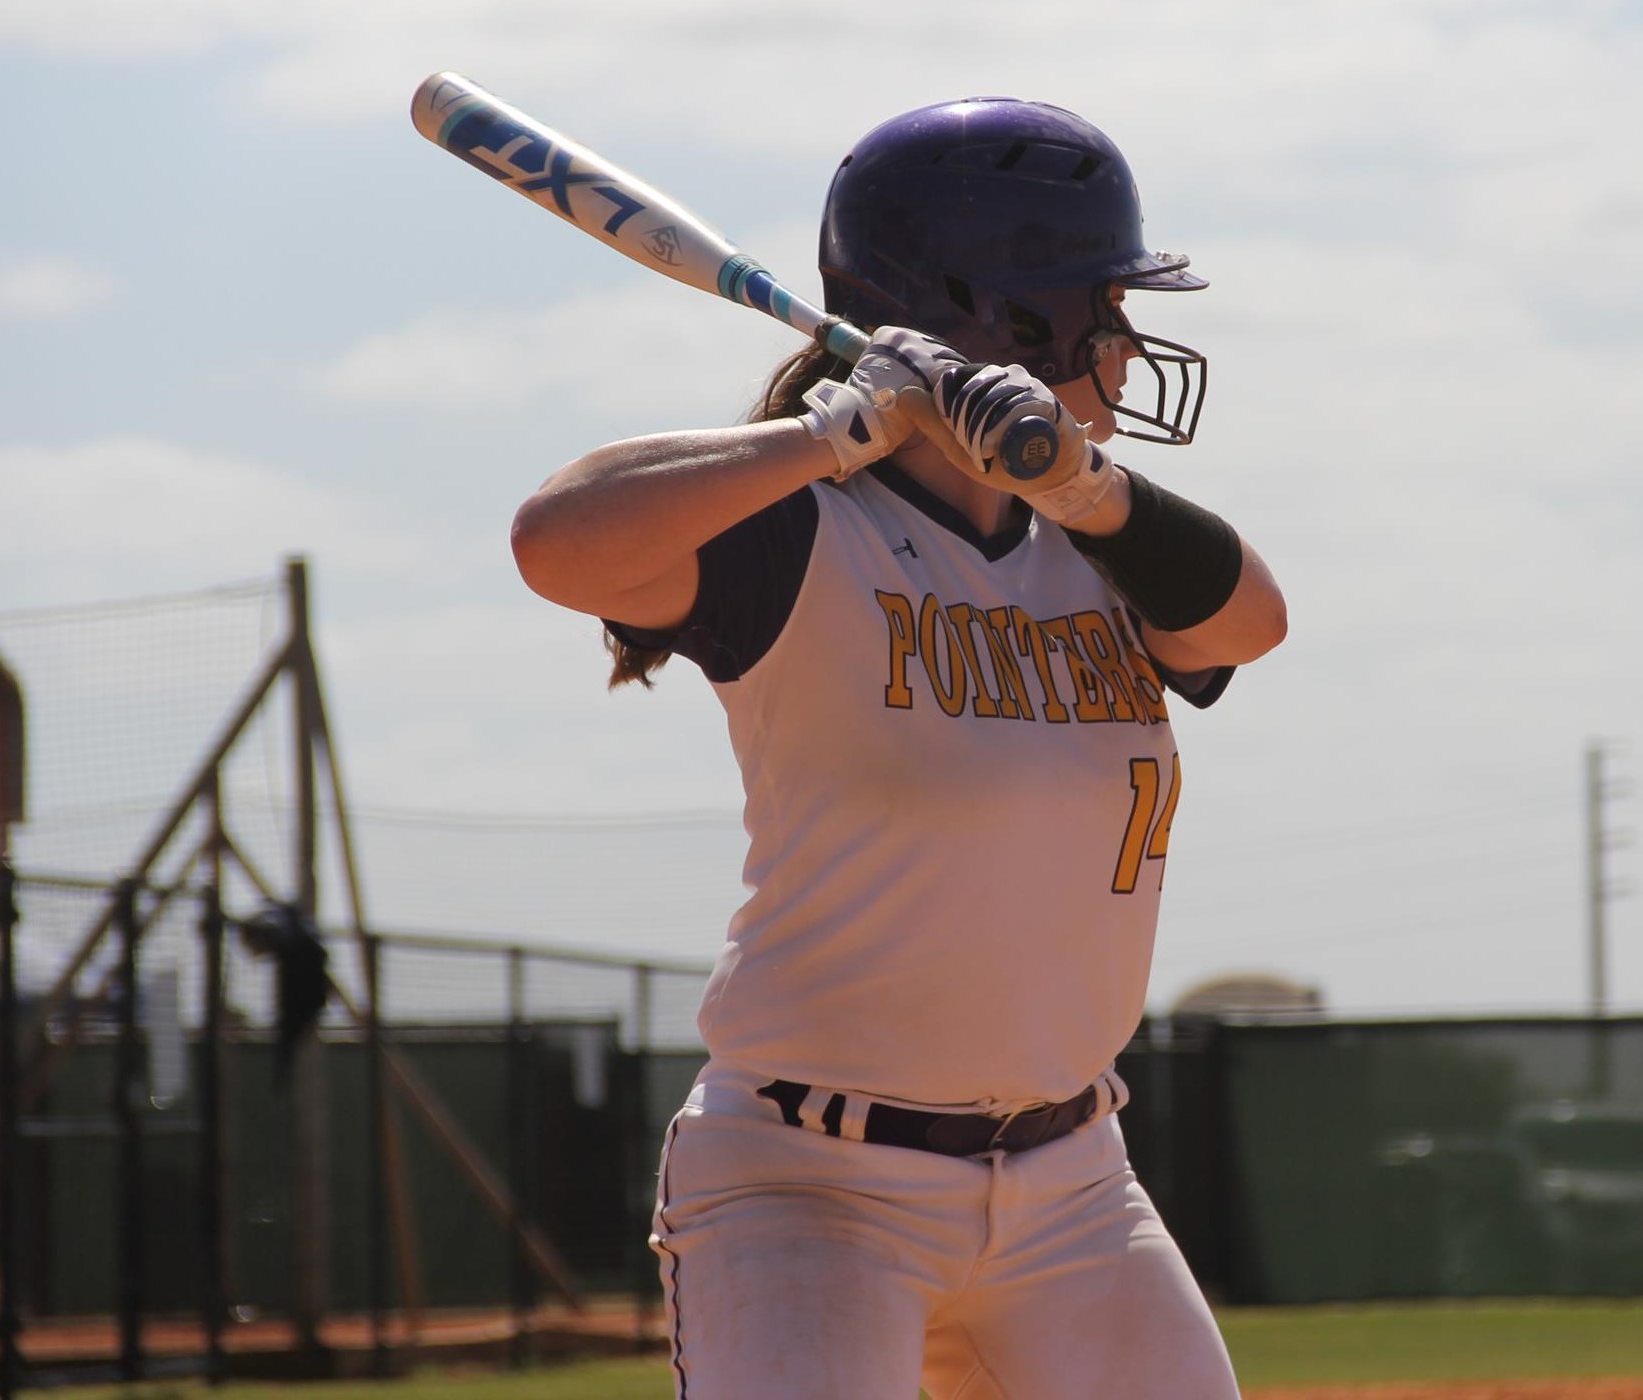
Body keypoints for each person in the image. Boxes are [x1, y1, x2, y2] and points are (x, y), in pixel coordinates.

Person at [511, 98, 1285, 1399]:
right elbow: (555, 539)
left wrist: (1081, 485)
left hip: (1076, 1188)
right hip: (808, 1191)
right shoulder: (804, 529)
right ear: (1008, 320)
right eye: (1101, 304)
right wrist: (830, 433)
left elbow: (1248, 621)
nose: (1127, 339)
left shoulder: (1100, 543)